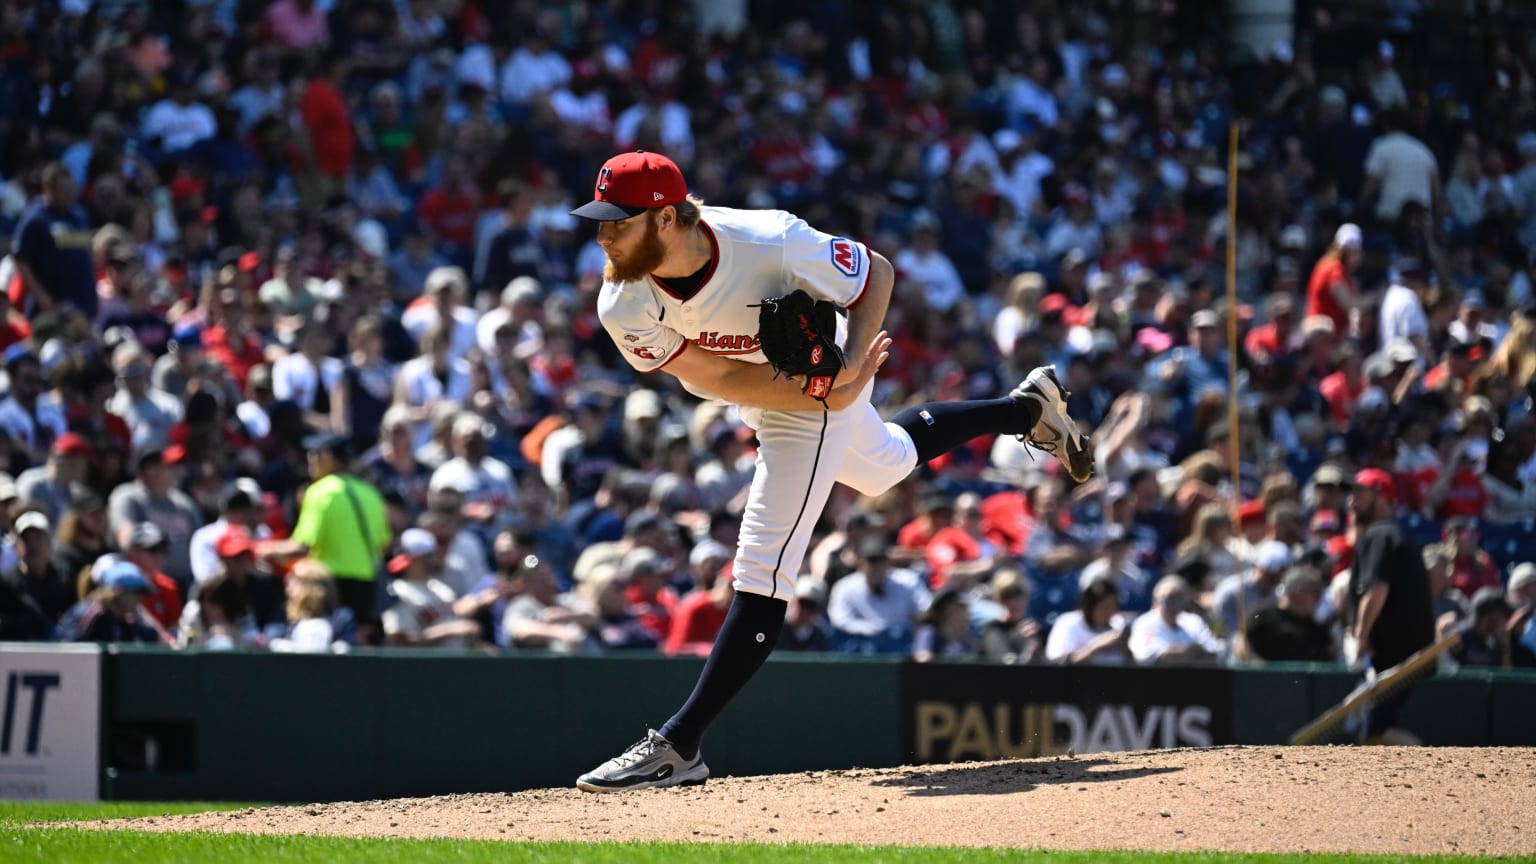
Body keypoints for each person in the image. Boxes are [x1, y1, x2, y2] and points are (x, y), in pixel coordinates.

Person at [570, 151, 1092, 793]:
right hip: (784, 390)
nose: (603, 235)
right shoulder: (623, 302)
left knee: (763, 564)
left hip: (816, 384)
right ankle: (1024, 408)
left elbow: (876, 273)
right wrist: (837, 393)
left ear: (670, 218)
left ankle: (679, 744)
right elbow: (720, 376)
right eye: (601, 220)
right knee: (887, 467)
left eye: (619, 221)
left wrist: (848, 370)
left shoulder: (771, 241)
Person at [1346, 468, 1435, 742]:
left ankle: (1434, 773)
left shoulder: (1380, 534)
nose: (1351, 503)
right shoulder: (1390, 533)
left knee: (1376, 731)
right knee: (1373, 731)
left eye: (1360, 495)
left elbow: (1377, 589)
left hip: (1398, 660)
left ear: (1382, 498)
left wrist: (1360, 636)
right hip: (1402, 655)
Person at [1244, 566, 1336, 663]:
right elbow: (1245, 649)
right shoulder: (1261, 617)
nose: (1318, 599)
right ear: (1298, 591)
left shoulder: (1318, 630)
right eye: (1315, 593)